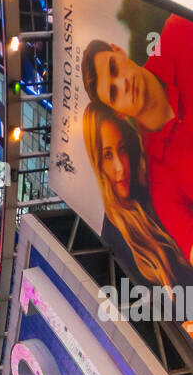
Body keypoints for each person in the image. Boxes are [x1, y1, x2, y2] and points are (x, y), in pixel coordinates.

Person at [82, 16, 193, 258]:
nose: (122, 83)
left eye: (114, 68)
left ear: (118, 51)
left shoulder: (178, 32)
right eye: (113, 92)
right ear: (117, 113)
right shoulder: (162, 186)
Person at [82, 102, 192, 291]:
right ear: (97, 162)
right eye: (108, 155)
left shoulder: (149, 188)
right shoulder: (113, 235)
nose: (120, 167)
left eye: (122, 148)